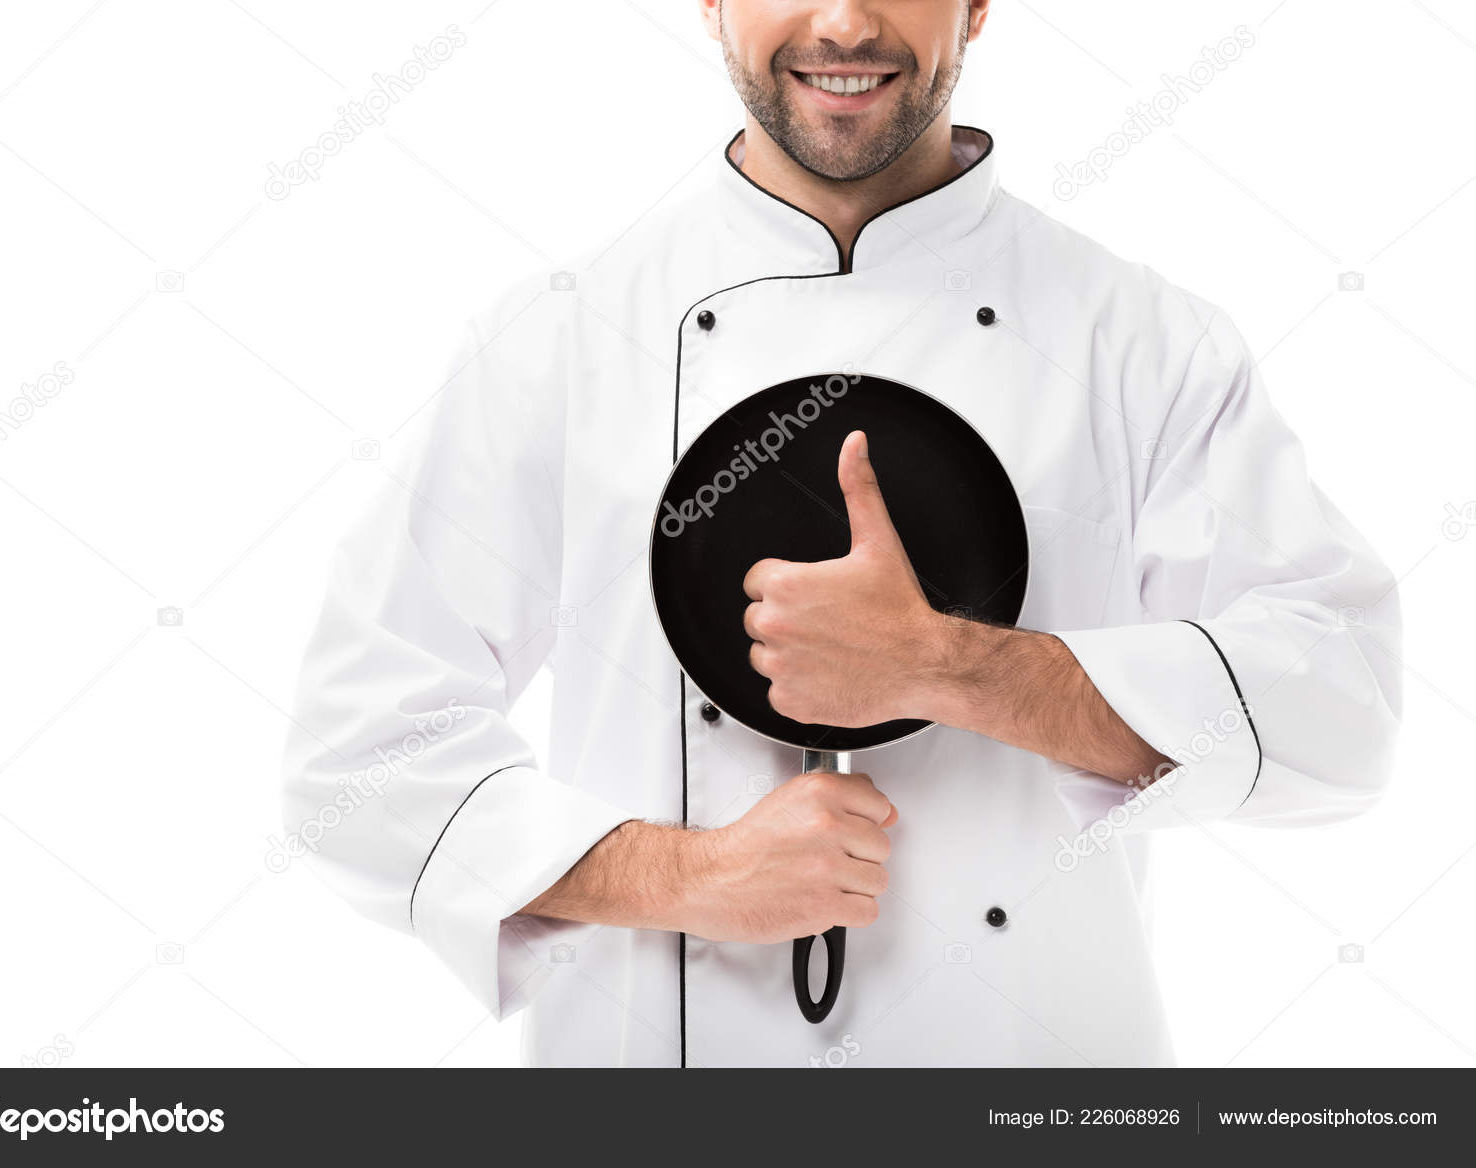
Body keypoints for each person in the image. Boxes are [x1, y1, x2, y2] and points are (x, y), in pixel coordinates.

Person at [283, 0, 1401, 1066]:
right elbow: (359, 762)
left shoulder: (1142, 342)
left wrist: (951, 667)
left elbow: (1342, 705)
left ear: (975, 4)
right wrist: (684, 877)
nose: (843, 25)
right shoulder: (556, 342)